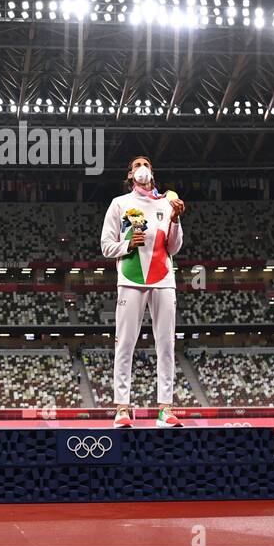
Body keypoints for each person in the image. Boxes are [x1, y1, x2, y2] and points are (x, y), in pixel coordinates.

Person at [100, 156, 186, 428]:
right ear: (130, 174)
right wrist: (127, 244)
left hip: (163, 280)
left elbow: (174, 247)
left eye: (146, 165)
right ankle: (122, 409)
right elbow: (106, 246)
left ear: (152, 172)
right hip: (130, 279)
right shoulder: (119, 204)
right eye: (137, 165)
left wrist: (175, 220)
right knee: (125, 343)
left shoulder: (167, 203)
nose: (142, 168)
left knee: (166, 345)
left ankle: (165, 409)